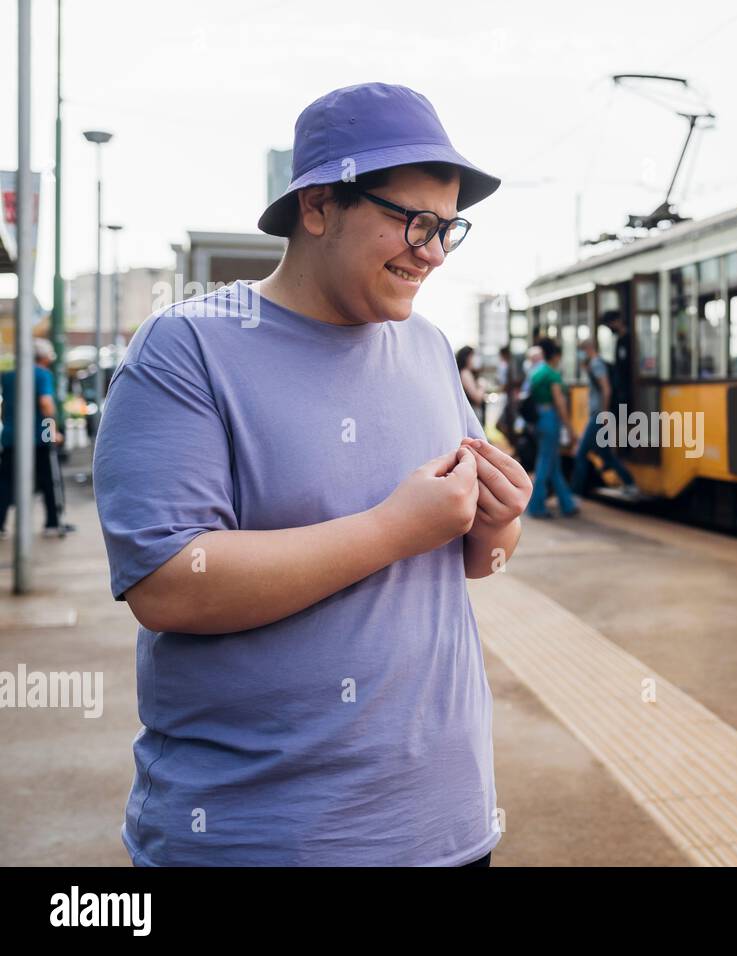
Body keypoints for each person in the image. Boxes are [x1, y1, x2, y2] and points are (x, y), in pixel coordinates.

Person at [92, 82, 532, 867]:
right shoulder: (186, 348)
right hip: (259, 839)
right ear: (320, 205)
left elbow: (474, 560)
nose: (432, 252)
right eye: (415, 222)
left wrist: (498, 520)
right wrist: (390, 529)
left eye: (449, 227)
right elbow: (165, 584)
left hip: (448, 826)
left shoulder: (429, 347)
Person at [0, 337, 73, 538]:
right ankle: (53, 522)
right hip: (39, 438)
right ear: (43, 357)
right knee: (50, 480)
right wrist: (52, 432)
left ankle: (0, 524)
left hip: (11, 437)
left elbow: (3, 407)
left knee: (5, 481)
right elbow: (46, 404)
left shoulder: (8, 376)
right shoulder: (42, 375)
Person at [570, 337, 638, 498]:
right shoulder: (594, 364)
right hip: (599, 415)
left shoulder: (596, 364)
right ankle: (629, 482)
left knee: (581, 453)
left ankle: (574, 493)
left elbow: (606, 389)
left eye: (581, 350)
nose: (580, 354)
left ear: (588, 349)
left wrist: (605, 413)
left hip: (599, 416)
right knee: (605, 454)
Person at [524, 337, 577, 518]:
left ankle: (567, 503)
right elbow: (560, 403)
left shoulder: (536, 373)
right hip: (550, 419)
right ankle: (536, 506)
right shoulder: (553, 375)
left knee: (554, 464)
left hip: (538, 420)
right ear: (555, 355)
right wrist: (570, 428)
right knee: (545, 463)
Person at [456, 345, 486, 425]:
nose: (475, 359)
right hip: (473, 413)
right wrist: (482, 386)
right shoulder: (465, 373)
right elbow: (477, 398)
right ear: (467, 358)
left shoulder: (466, 372)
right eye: (473, 356)